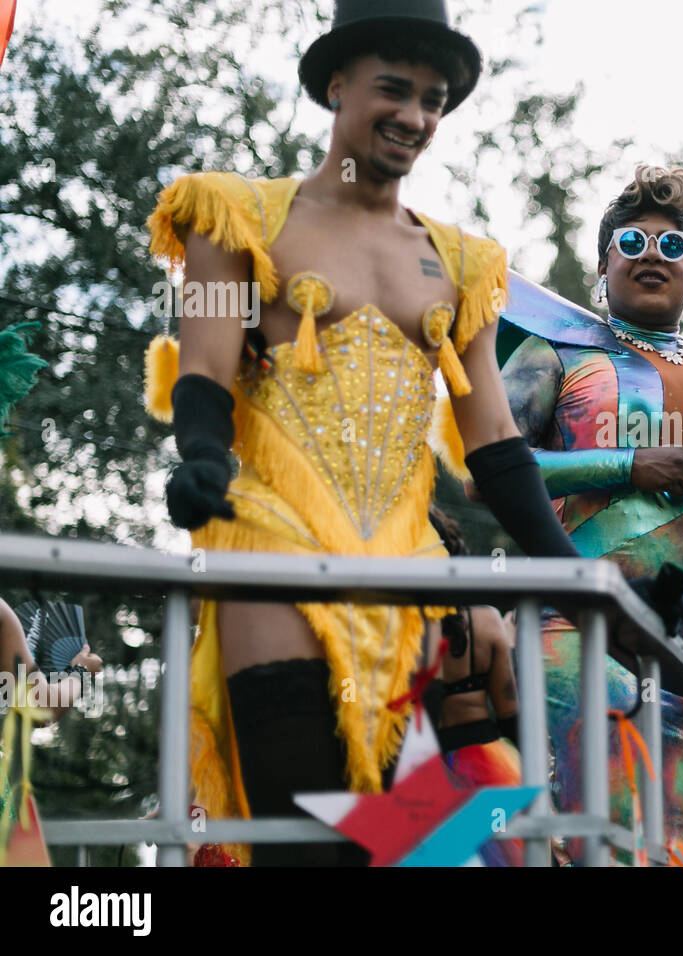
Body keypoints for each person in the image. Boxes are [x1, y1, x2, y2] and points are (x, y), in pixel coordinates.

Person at [143, 0, 580, 866]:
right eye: (395, 89)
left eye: (434, 98)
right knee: (305, 838)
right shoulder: (242, 216)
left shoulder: (461, 262)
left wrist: (574, 569)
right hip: (272, 537)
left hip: (406, 565)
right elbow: (205, 369)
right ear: (336, 86)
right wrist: (200, 458)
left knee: (396, 841)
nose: (416, 116)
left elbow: (492, 440)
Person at [488, 165, 683, 858]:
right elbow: (481, 473)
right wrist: (629, 465)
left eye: (673, 246)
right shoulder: (553, 352)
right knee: (590, 842)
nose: (653, 254)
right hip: (586, 634)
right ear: (602, 263)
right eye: (633, 241)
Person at [424, 506, 522, 867]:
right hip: (487, 761)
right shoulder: (487, 620)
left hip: (431, 767)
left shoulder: (400, 627)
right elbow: (511, 714)